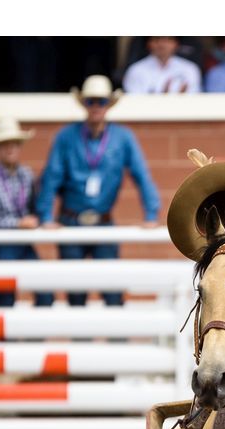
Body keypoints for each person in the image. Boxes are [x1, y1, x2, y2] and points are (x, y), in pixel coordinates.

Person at [36, 75, 159, 307]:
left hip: (103, 222)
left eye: (101, 101)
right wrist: (46, 217)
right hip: (71, 222)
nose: (95, 106)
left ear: (108, 105)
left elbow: (141, 175)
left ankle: (116, 331)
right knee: (75, 293)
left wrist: (151, 215)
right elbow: (51, 176)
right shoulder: (66, 136)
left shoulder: (123, 137)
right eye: (90, 101)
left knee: (112, 290)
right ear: (84, 104)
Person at [0, 117, 53, 308]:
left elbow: (35, 207)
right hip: (2, 246)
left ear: (20, 147)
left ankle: (36, 328)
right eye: (4, 144)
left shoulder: (27, 175)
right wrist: (16, 223)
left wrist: (45, 220)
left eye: (14, 144)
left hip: (25, 244)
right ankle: (8, 329)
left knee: (45, 292)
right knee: (5, 298)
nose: (10, 149)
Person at [122, 36, 202, 94]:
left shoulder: (190, 68)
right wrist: (162, 99)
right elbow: (134, 103)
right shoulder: (135, 70)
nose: (162, 44)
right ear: (149, 43)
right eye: (156, 39)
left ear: (176, 44)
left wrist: (180, 99)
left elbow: (194, 98)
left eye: (167, 39)